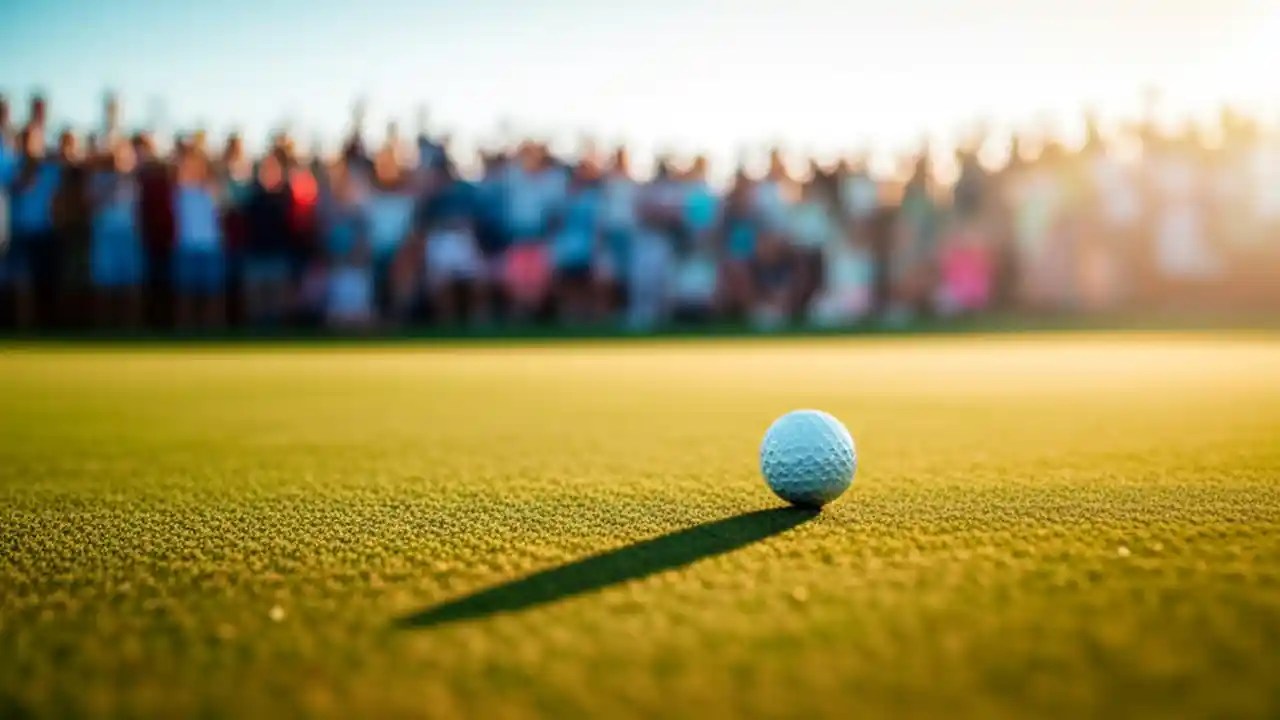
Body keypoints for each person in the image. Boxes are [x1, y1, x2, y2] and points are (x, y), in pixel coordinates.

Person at [8, 125, 62, 328]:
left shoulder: (50, 168)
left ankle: (45, 324)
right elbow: (17, 186)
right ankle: (25, 327)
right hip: (20, 231)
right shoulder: (12, 166)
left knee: (45, 281)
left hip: (45, 231)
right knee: (23, 282)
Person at [88, 141, 144, 327]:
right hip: (105, 236)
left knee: (131, 284)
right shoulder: (99, 178)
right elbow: (91, 203)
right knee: (104, 285)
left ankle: (131, 326)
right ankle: (104, 326)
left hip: (128, 237)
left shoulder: (134, 181)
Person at [171, 149, 225, 329]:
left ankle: (212, 331)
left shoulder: (212, 189)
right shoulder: (179, 191)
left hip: (210, 248)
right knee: (185, 293)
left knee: (213, 293)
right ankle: (185, 330)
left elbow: (223, 205)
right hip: (186, 248)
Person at [242, 150, 293, 325]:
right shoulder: (252, 196)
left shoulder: (286, 196)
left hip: (277, 254)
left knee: (277, 304)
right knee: (255, 304)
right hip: (256, 254)